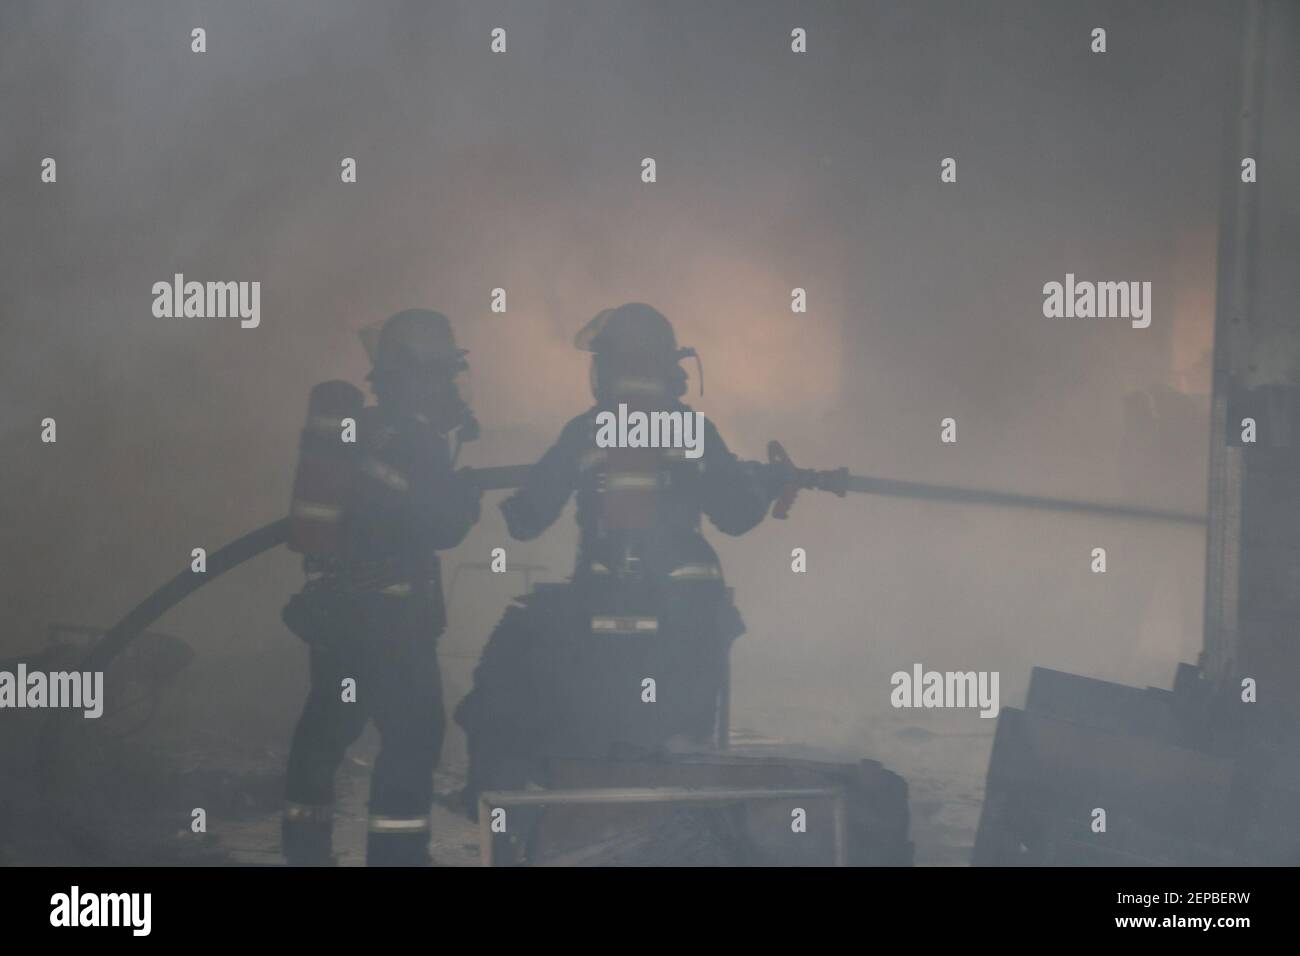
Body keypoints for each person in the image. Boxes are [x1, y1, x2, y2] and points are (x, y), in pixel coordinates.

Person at [454, 303, 781, 812]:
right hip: (691, 617)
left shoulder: (585, 431)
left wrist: (479, 490)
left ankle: (489, 790)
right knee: (682, 749)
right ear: (667, 365)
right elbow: (737, 516)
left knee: (512, 663)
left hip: (599, 611)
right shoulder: (693, 429)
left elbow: (526, 521)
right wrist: (764, 484)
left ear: (608, 367)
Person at [281, 309, 481, 865]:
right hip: (393, 624)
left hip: (337, 619)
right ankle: (398, 858)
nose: (449, 385)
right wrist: (464, 498)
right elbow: (439, 524)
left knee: (324, 733)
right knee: (413, 740)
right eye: (441, 373)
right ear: (415, 375)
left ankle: (304, 855)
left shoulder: (359, 432)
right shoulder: (414, 441)